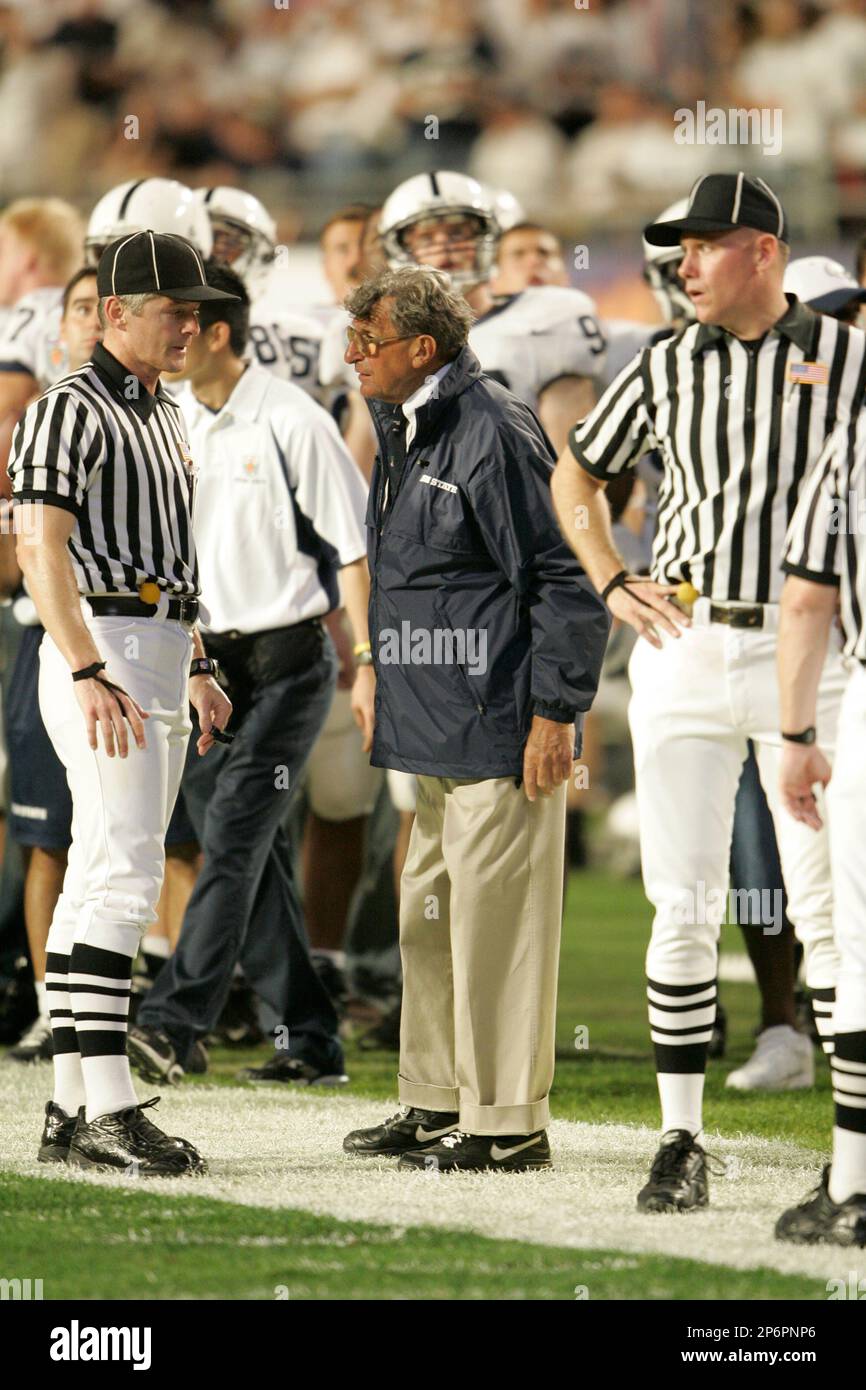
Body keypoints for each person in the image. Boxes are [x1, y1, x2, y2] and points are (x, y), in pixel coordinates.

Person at [551, 172, 866, 1213]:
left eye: (703, 244)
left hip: (808, 648)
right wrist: (607, 576)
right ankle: (678, 1140)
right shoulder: (664, 362)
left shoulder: (845, 354)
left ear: (763, 252)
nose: (681, 264)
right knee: (677, 902)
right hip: (685, 636)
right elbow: (575, 473)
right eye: (676, 247)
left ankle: (849, 1161)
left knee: (827, 915)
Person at [341, 266, 609, 1172]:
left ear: (423, 347)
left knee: (496, 933)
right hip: (430, 727)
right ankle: (433, 1098)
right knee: (428, 922)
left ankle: (507, 1123)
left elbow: (565, 574)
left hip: (498, 726)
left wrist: (556, 710)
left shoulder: (494, 429)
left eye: (368, 341)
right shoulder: (405, 421)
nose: (353, 356)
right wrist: (379, 669)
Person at [8, 230, 236, 1175]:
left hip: (151, 642)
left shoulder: (161, 410)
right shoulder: (73, 404)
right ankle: (109, 1104)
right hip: (106, 646)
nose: (191, 323)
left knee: (105, 866)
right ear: (114, 312)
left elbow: (168, 557)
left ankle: (70, 1108)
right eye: (172, 309)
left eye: (196, 309)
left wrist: (197, 655)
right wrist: (87, 666)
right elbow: (39, 547)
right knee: (126, 873)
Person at [128, 263, 373, 1088]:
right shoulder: (166, 420)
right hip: (201, 665)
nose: (169, 337)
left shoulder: (291, 417)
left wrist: (367, 660)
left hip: (288, 660)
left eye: (180, 320)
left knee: (233, 835)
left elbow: (354, 545)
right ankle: (310, 1035)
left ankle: (172, 1022)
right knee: (250, 854)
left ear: (216, 330)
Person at [773, 412, 866, 1245]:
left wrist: (797, 738)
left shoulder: (855, 434)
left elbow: (806, 597)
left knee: (860, 949)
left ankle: (856, 1184)